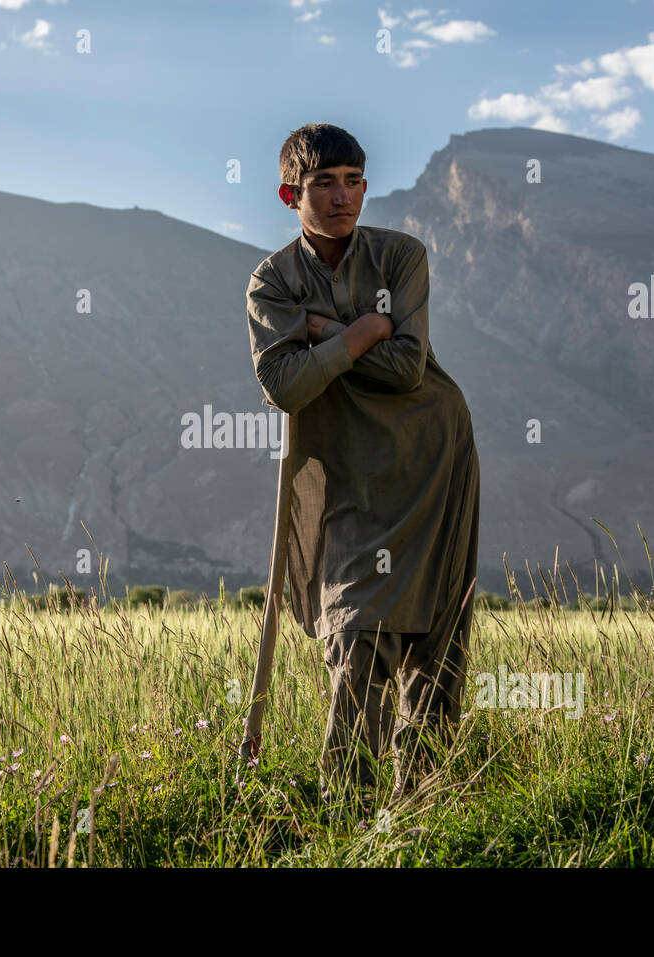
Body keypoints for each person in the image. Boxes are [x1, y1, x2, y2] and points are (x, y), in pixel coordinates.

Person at [246, 123, 481, 808]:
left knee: (437, 638)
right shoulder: (273, 282)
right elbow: (285, 387)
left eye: (353, 181)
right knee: (354, 627)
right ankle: (347, 809)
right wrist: (350, 333)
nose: (342, 196)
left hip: (431, 458)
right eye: (324, 183)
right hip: (345, 473)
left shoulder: (401, 257)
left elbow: (406, 368)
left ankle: (424, 808)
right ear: (291, 192)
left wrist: (315, 335)